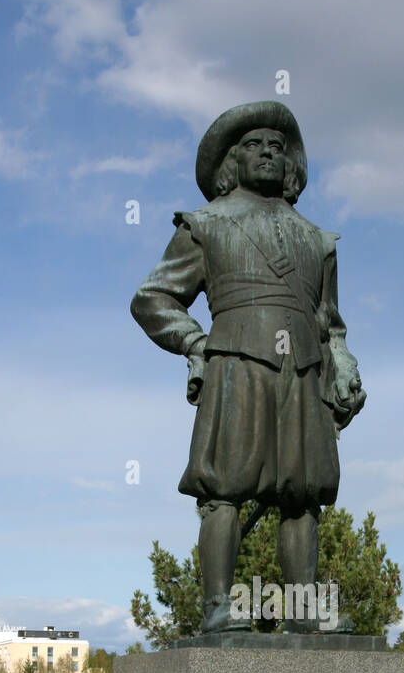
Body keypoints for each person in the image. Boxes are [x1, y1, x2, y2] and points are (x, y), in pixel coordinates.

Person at [130, 100, 365, 633]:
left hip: (304, 371)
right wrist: (195, 345)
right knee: (225, 488)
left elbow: (329, 321)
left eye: (278, 147)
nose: (268, 153)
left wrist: (345, 362)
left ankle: (302, 609)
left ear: (291, 164)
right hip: (237, 363)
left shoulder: (317, 240)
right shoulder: (206, 225)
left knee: (303, 494)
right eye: (254, 144)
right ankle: (218, 606)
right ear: (232, 160)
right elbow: (153, 298)